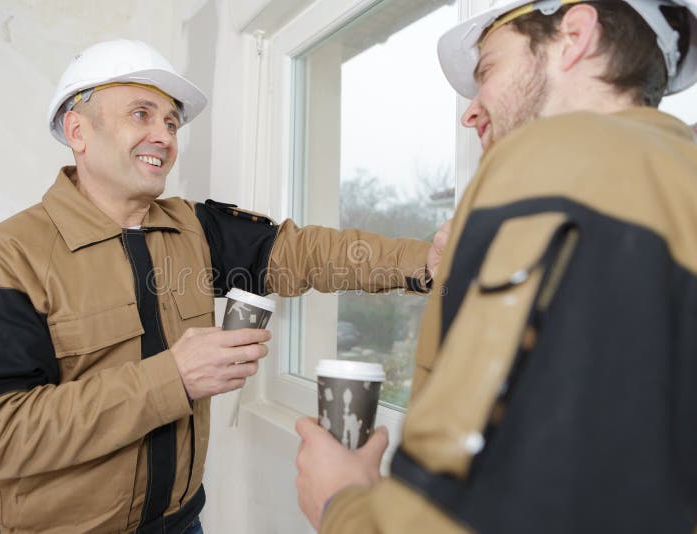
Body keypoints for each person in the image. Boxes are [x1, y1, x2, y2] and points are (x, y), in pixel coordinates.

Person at [0, 39, 446, 534]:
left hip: (184, 524)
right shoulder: (14, 254)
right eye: (141, 114)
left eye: (170, 122)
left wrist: (424, 261)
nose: (163, 136)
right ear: (78, 131)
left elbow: (307, 254)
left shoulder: (192, 228)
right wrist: (175, 377)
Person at [295, 0, 697, 532]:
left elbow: (468, 509)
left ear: (574, 34)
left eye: (487, 70)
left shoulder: (548, 161)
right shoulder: (675, 178)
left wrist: (340, 500)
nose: (471, 109)